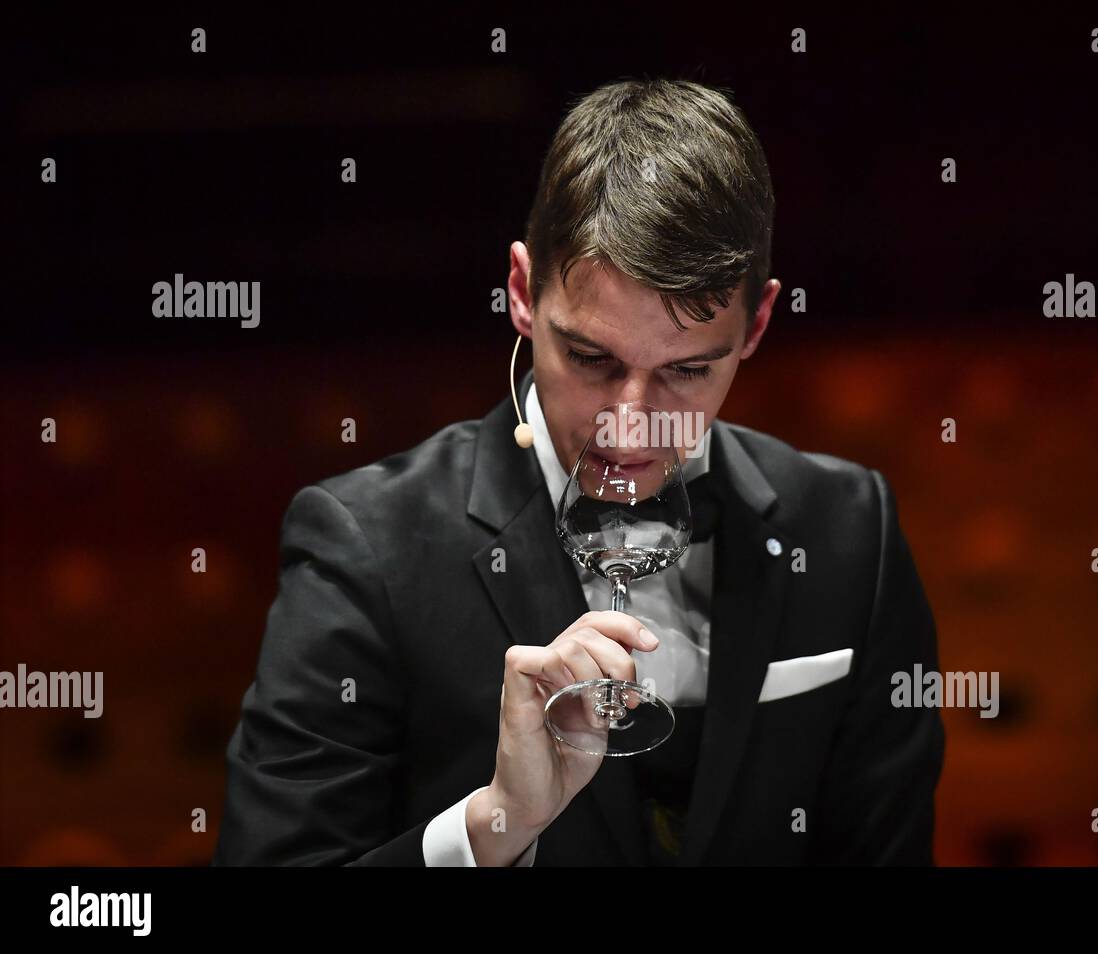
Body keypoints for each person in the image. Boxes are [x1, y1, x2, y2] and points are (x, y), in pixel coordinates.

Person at [212, 77, 944, 867]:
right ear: (523, 295)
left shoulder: (848, 530)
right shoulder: (365, 546)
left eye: (688, 371)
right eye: (592, 359)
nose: (631, 423)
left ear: (758, 324)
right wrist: (494, 823)